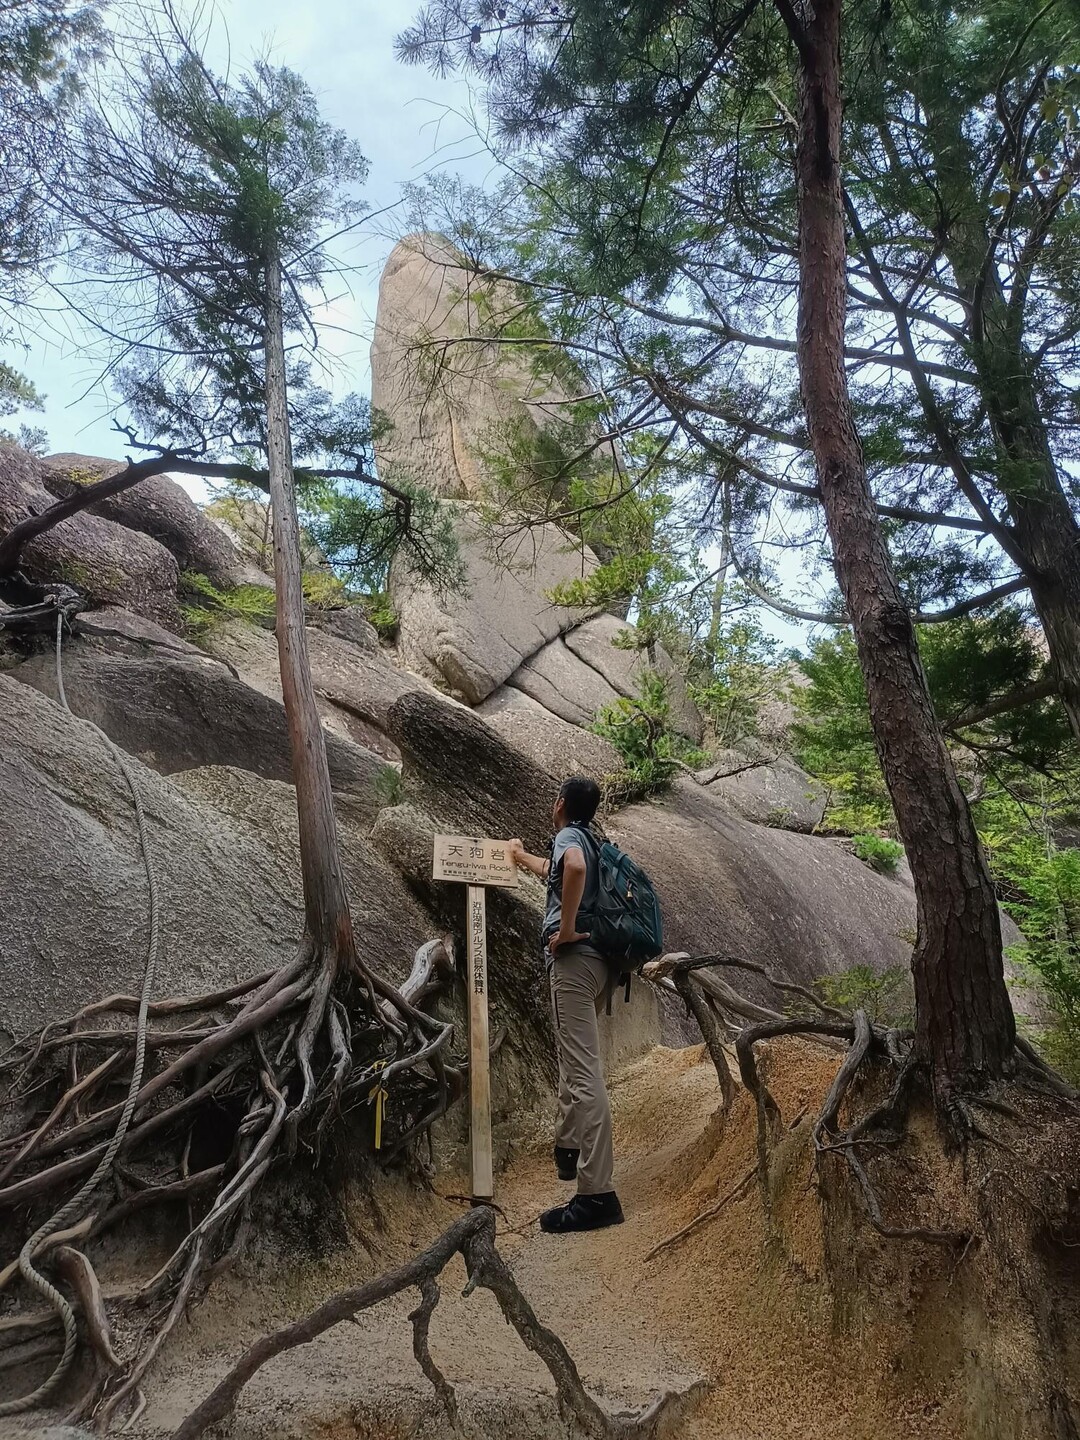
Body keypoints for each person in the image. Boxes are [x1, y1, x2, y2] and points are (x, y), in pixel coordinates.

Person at [508, 776, 624, 1234]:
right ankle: (569, 1146)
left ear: (559, 805)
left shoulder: (569, 838)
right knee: (574, 1062)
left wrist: (568, 929)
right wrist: (519, 857)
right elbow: (558, 872)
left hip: (575, 964)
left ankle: (598, 1195)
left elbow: (570, 867)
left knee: (583, 1072)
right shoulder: (591, 839)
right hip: (601, 967)